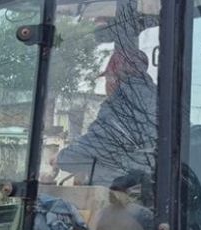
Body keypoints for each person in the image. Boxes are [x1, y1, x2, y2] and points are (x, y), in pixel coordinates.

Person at [55, 49, 157, 188]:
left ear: (115, 79)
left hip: (124, 190)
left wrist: (60, 159)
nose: (106, 86)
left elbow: (100, 143)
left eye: (107, 78)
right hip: (147, 184)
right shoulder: (159, 98)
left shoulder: (123, 102)